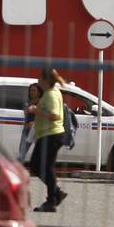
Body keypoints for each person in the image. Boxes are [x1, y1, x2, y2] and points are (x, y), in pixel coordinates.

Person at [26, 67, 68, 212]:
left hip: (52, 135)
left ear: (45, 80)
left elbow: (55, 115)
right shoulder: (51, 93)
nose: (38, 81)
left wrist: (35, 111)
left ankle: (51, 200)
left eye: (40, 78)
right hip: (46, 135)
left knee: (45, 167)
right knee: (37, 166)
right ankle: (56, 193)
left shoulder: (51, 95)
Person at [17, 83, 41, 164]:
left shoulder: (43, 103)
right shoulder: (27, 102)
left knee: (41, 153)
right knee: (22, 153)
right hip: (28, 130)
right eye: (30, 90)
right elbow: (26, 115)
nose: (31, 92)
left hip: (39, 131)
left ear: (39, 92)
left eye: (34, 90)